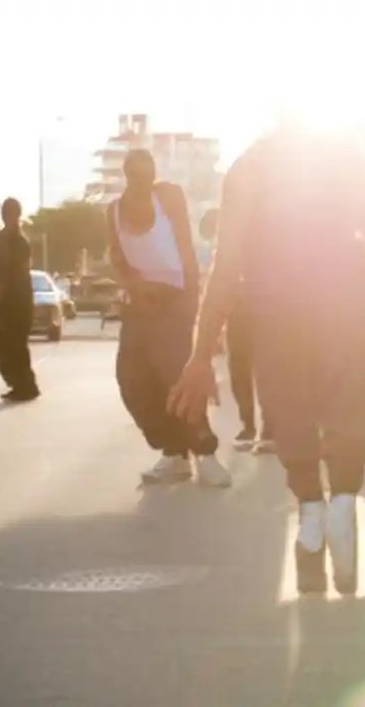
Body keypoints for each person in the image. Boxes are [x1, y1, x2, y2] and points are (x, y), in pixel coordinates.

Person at [168, 124, 365, 595]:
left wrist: (200, 355)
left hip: (275, 317)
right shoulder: (341, 153)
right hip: (342, 308)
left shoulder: (247, 170)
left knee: (292, 423)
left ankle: (312, 518)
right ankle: (340, 508)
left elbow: (227, 266)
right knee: (347, 416)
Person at [108, 149, 230, 488]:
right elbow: (118, 259)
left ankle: (206, 455)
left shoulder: (169, 196)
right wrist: (134, 287)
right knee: (132, 380)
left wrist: (193, 301)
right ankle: (174, 454)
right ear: (126, 174)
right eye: (136, 175)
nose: (143, 180)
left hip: (176, 300)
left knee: (178, 379)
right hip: (140, 305)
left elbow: (186, 249)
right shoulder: (114, 210)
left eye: (148, 174)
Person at [205, 208, 274, 452]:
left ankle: (269, 429)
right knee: (238, 367)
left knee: (267, 368)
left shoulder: (268, 234)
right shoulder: (227, 243)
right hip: (236, 310)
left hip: (266, 308)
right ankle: (248, 426)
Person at [0, 198, 40, 402]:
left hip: (19, 299)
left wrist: (2, 287)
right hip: (4, 299)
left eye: (10, 213)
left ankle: (26, 385)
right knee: (1, 343)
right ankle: (17, 382)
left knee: (17, 344)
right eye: (5, 212)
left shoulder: (20, 242)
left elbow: (16, 271)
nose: (7, 216)